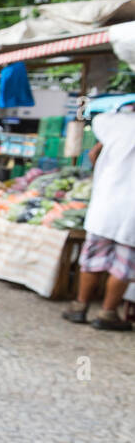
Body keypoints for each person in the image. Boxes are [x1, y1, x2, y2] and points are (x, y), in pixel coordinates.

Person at [62, 109, 135, 331]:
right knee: (123, 265)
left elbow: (93, 155)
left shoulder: (116, 123)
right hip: (131, 210)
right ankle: (107, 313)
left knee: (93, 258)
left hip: (107, 202)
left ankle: (79, 307)